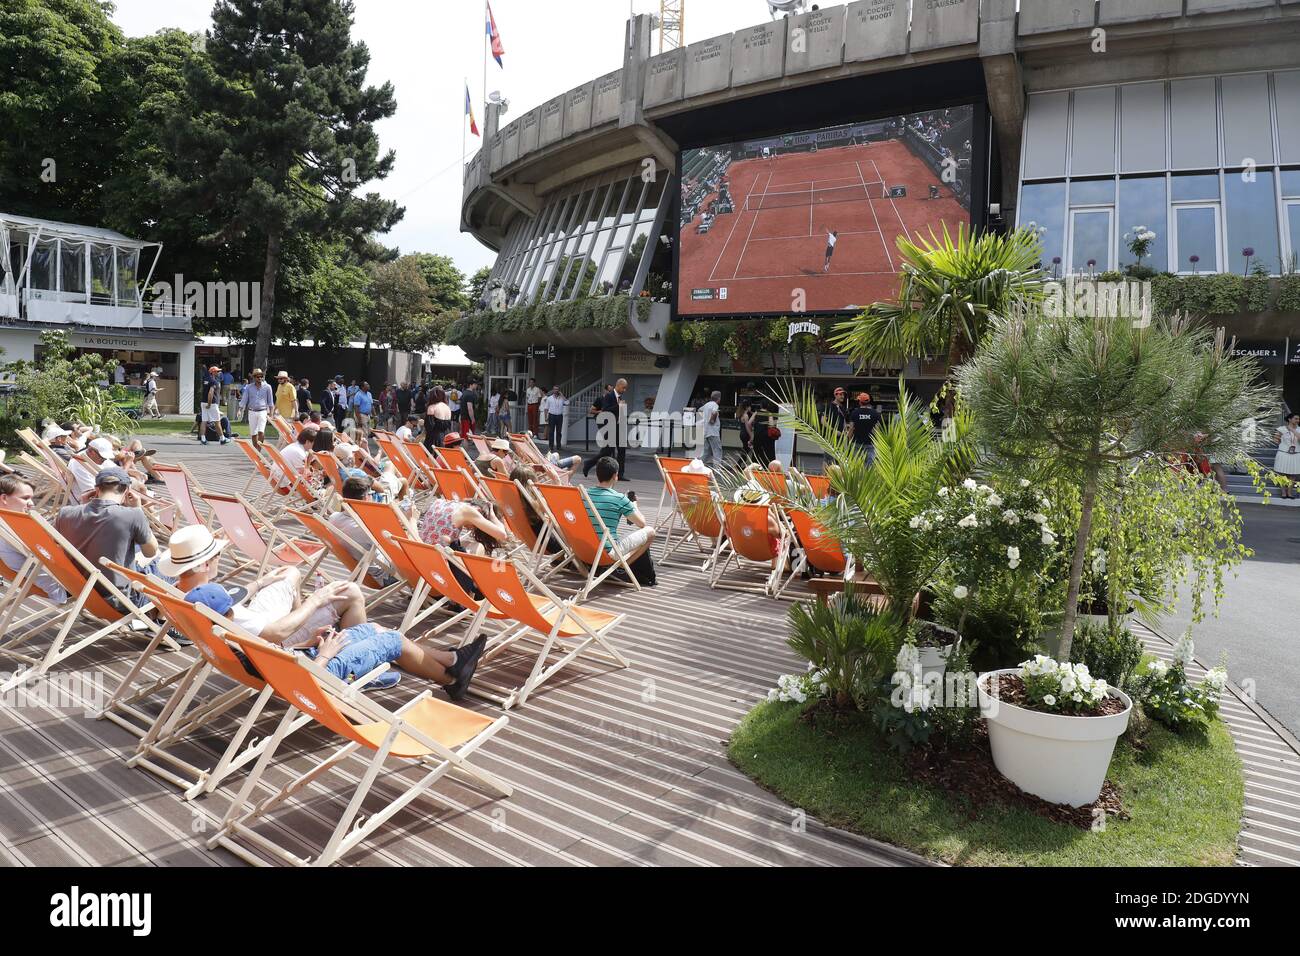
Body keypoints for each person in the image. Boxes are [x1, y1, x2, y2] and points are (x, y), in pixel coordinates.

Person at [54, 467, 172, 607]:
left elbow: (59, 545)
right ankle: (161, 616)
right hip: (120, 599)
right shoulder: (133, 515)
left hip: (80, 590)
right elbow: (150, 552)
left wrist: (83, 506)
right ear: (127, 490)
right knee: (172, 562)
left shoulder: (65, 513)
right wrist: (138, 510)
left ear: (96, 489)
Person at [582, 456, 656, 584]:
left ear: (597, 474)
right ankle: (621, 566)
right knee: (650, 532)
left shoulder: (583, 494)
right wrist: (633, 505)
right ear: (615, 476)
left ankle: (617, 566)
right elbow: (641, 523)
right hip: (607, 553)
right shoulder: (619, 498)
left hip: (583, 550)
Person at [0, 474, 69, 604]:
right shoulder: (16, 530)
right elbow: (53, 556)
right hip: (63, 586)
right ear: (4, 498)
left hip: (50, 582)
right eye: (25, 498)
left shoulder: (5, 525)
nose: (31, 503)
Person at [583, 378, 628, 481]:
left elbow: (619, 412)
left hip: (618, 426)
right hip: (609, 426)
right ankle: (588, 463)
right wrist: (618, 406)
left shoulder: (620, 397)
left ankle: (620, 474)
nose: (624, 390)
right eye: (623, 388)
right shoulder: (609, 396)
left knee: (622, 449)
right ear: (618, 385)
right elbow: (605, 410)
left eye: (625, 388)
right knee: (608, 451)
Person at [238, 368, 275, 451]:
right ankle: (256, 451)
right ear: (254, 377)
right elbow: (244, 399)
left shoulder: (267, 387)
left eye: (261, 376)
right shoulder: (249, 387)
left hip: (263, 411)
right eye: (257, 376)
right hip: (252, 411)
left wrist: (271, 414)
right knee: (253, 433)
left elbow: (271, 402)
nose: (259, 378)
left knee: (261, 431)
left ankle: (259, 450)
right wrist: (240, 410)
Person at [847, 391, 881, 462]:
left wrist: (849, 441)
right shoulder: (875, 413)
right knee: (870, 464)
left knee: (856, 464)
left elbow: (851, 429)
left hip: (857, 443)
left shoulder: (854, 413)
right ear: (869, 402)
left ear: (859, 402)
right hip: (870, 444)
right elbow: (877, 430)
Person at [1275, 412, 1300, 499]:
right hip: (1283, 453)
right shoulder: (1281, 429)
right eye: (1296, 418)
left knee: (1293, 475)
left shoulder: (1299, 429)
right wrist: (1283, 443)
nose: (1298, 420)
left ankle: (1289, 492)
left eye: (1298, 419)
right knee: (1282, 473)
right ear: (1289, 419)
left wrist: (1292, 429)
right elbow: (1276, 440)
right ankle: (1283, 492)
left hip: (1296, 454)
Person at [200, 366, 227, 445]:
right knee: (217, 421)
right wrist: (209, 404)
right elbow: (210, 392)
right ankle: (222, 439)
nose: (219, 373)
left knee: (204, 421)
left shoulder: (205, 380)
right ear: (213, 372)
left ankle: (203, 439)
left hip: (203, 402)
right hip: (211, 403)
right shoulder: (213, 381)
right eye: (217, 371)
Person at [423, 386, 453, 452]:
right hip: (447, 437)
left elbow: (429, 426)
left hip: (434, 439)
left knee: (432, 457)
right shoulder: (447, 407)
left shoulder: (432, 407)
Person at [700, 390, 723, 468]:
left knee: (706, 452)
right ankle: (717, 469)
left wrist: (705, 418)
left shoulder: (707, 404)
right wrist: (712, 420)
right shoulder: (715, 405)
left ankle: (698, 465)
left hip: (706, 431)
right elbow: (714, 412)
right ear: (719, 398)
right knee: (717, 451)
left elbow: (699, 410)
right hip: (713, 432)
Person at [542, 385, 567, 454]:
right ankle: (551, 446)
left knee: (559, 432)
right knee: (551, 431)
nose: (556, 390)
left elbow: (567, 402)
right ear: (553, 390)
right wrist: (546, 417)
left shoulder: (561, 398)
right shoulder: (549, 398)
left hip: (559, 416)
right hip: (552, 416)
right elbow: (546, 408)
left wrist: (562, 395)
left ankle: (558, 446)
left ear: (559, 390)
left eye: (557, 389)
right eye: (555, 389)